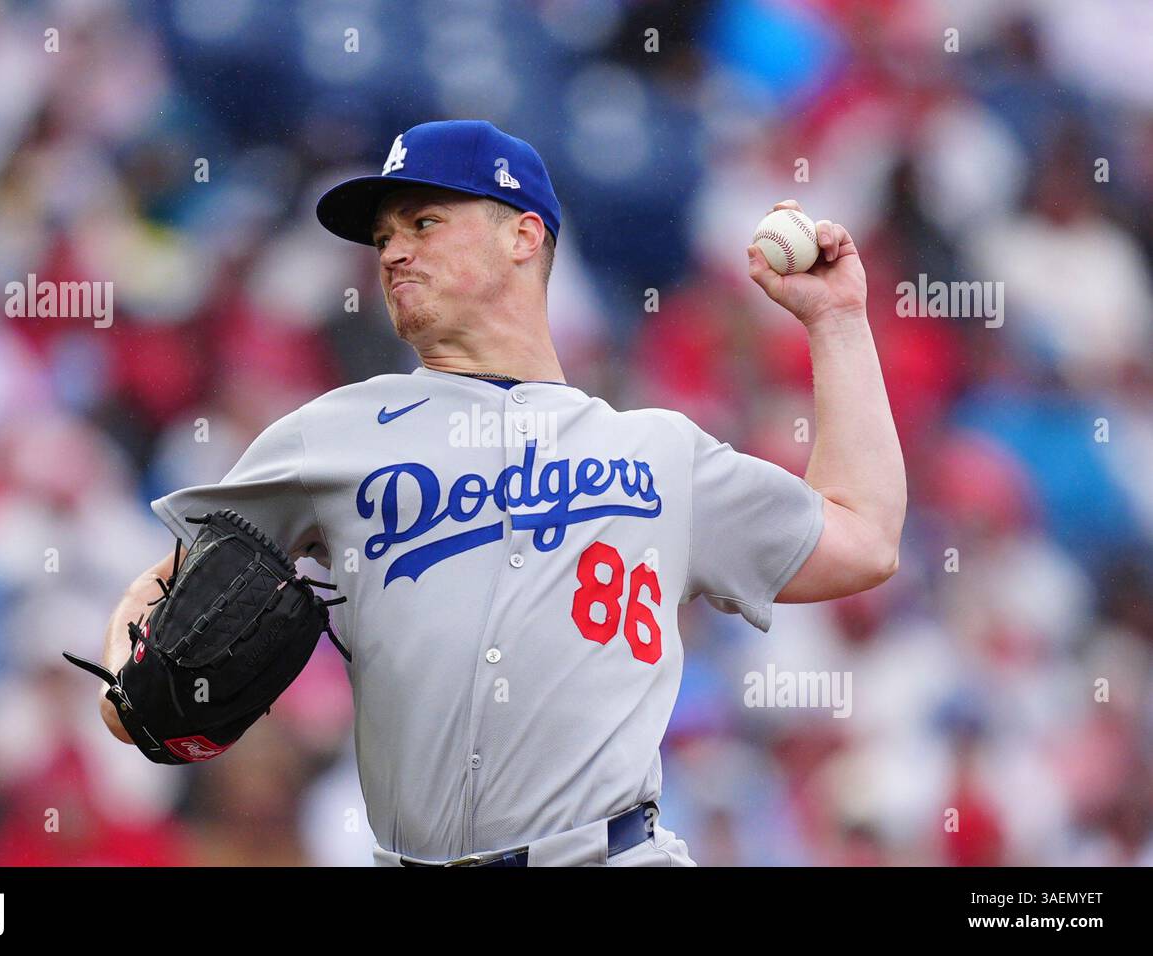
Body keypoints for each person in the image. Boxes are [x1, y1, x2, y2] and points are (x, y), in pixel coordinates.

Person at [95, 120, 906, 866]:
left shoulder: (659, 452)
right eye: (382, 237)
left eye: (424, 223)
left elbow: (863, 539)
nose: (391, 253)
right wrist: (130, 682)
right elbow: (171, 581)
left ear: (524, 235)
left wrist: (836, 323)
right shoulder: (331, 434)